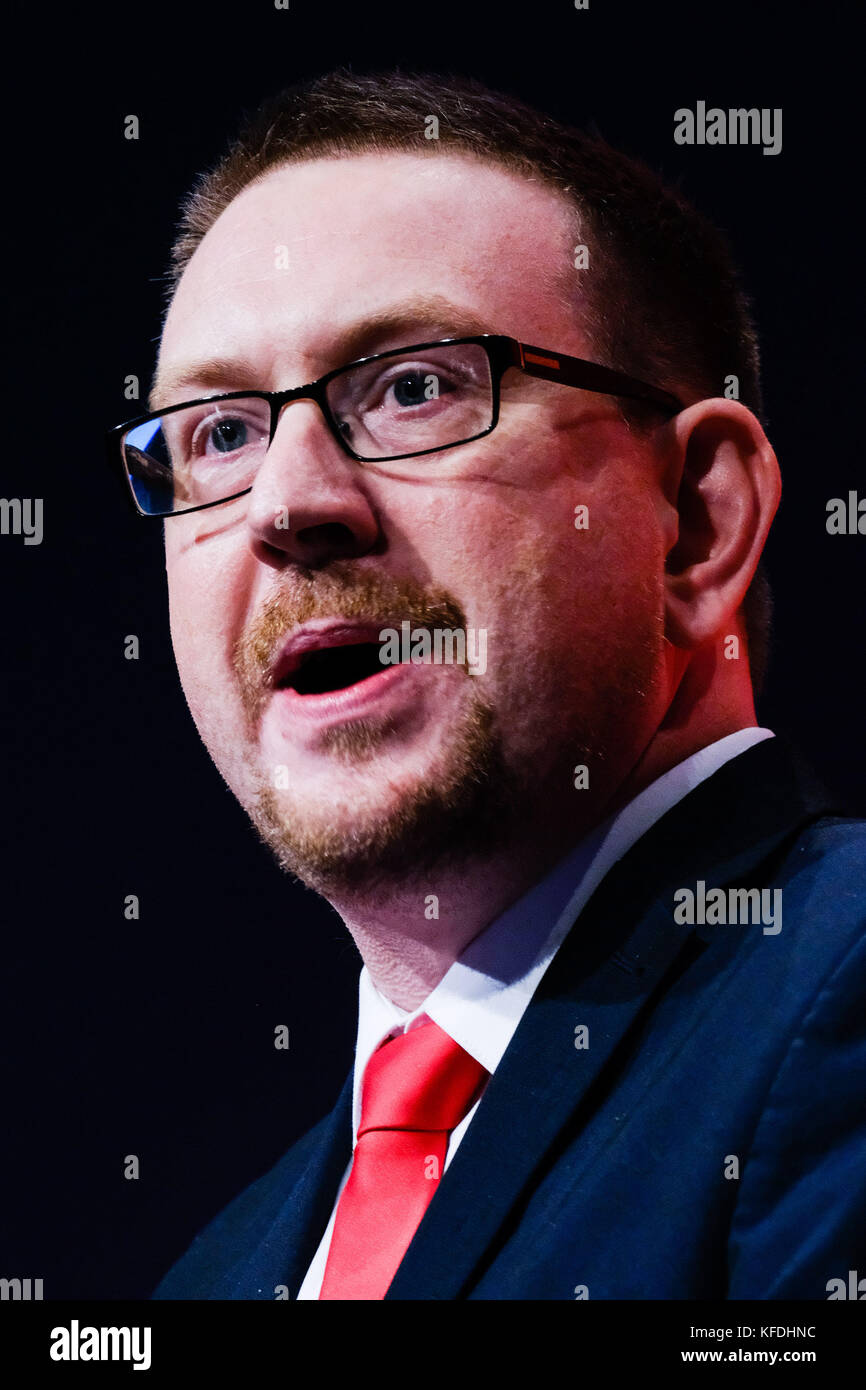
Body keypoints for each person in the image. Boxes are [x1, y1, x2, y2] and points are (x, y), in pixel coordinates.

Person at [108, 69, 865, 1299]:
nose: (289, 506)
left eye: (414, 388)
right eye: (221, 435)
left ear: (693, 524)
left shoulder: (835, 989)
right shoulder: (215, 1274)